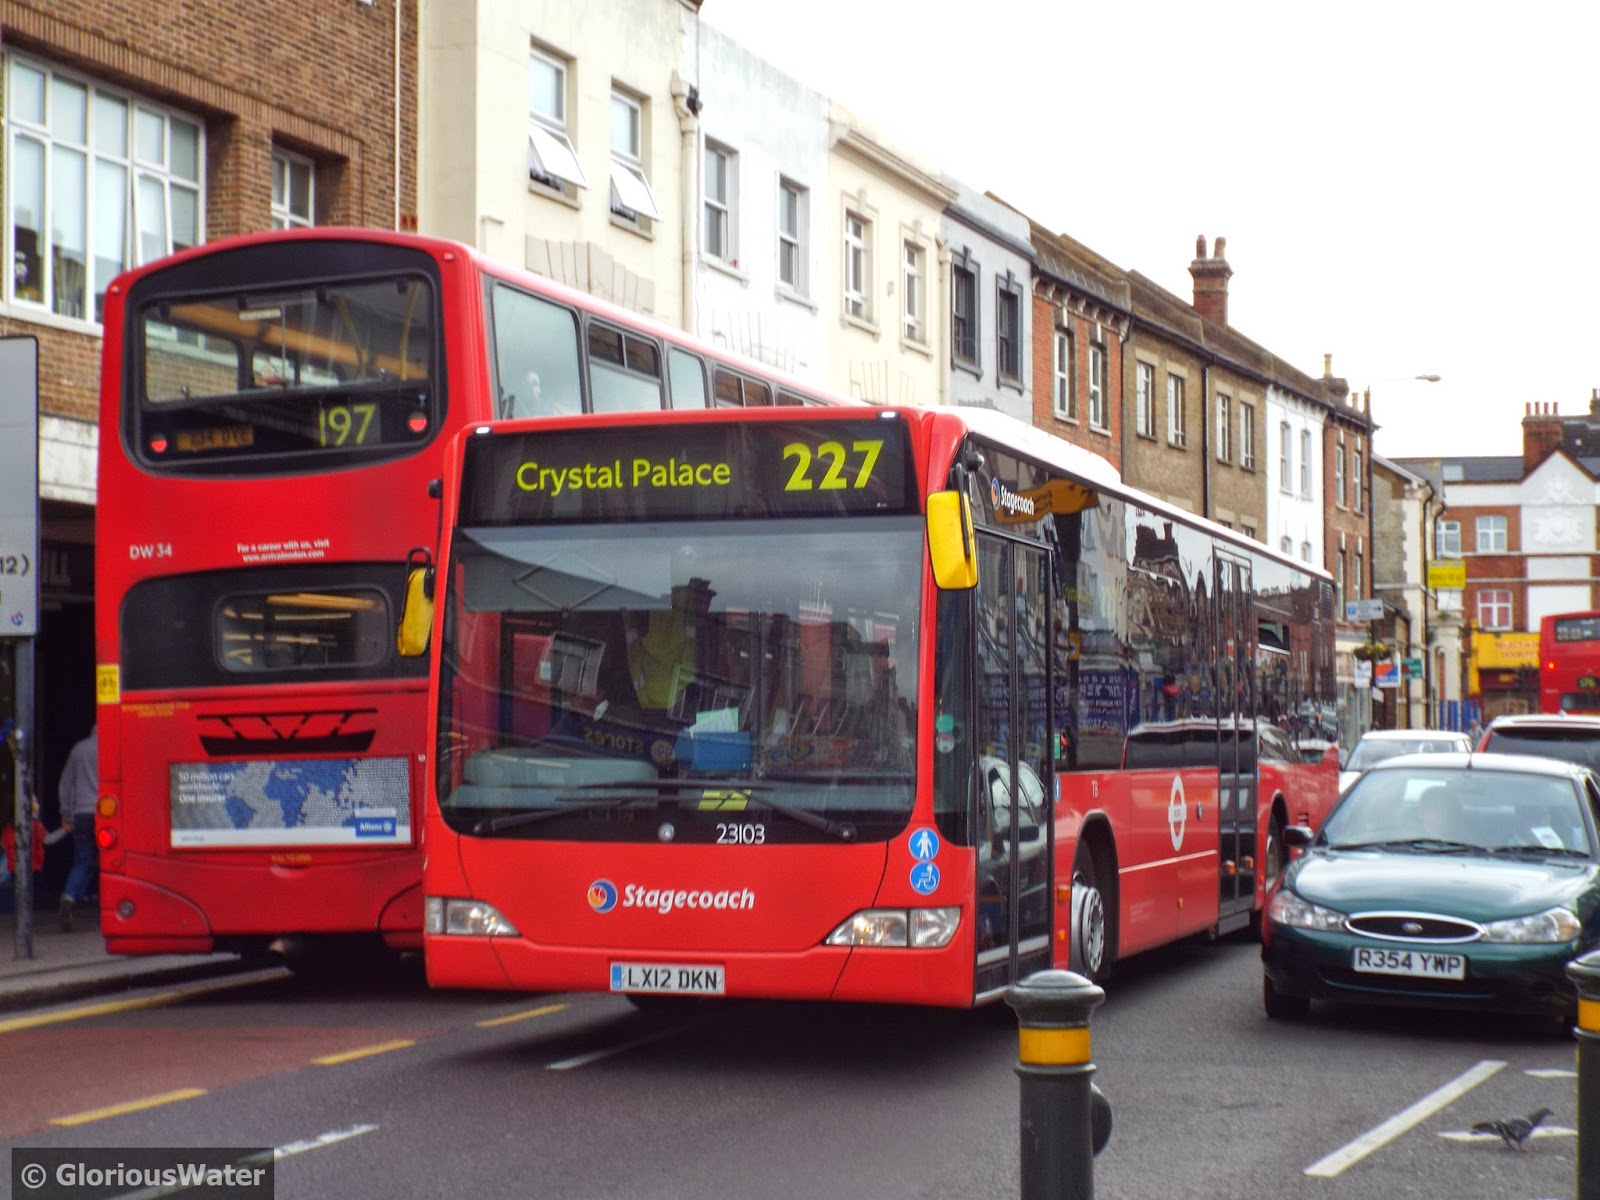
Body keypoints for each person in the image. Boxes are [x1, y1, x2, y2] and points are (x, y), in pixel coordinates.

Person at [58, 724, 98, 931]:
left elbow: (66, 784)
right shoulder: (114, 744)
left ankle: (69, 896)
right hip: (108, 813)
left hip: (82, 812)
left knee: (83, 859)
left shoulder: (78, 749)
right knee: (114, 860)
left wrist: (67, 815)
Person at [1, 795, 68, 888]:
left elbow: (3, 844)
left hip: (14, 868)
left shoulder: (9, 827)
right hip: (32, 867)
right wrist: (64, 830)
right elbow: (48, 839)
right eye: (35, 802)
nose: (38, 804)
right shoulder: (35, 824)